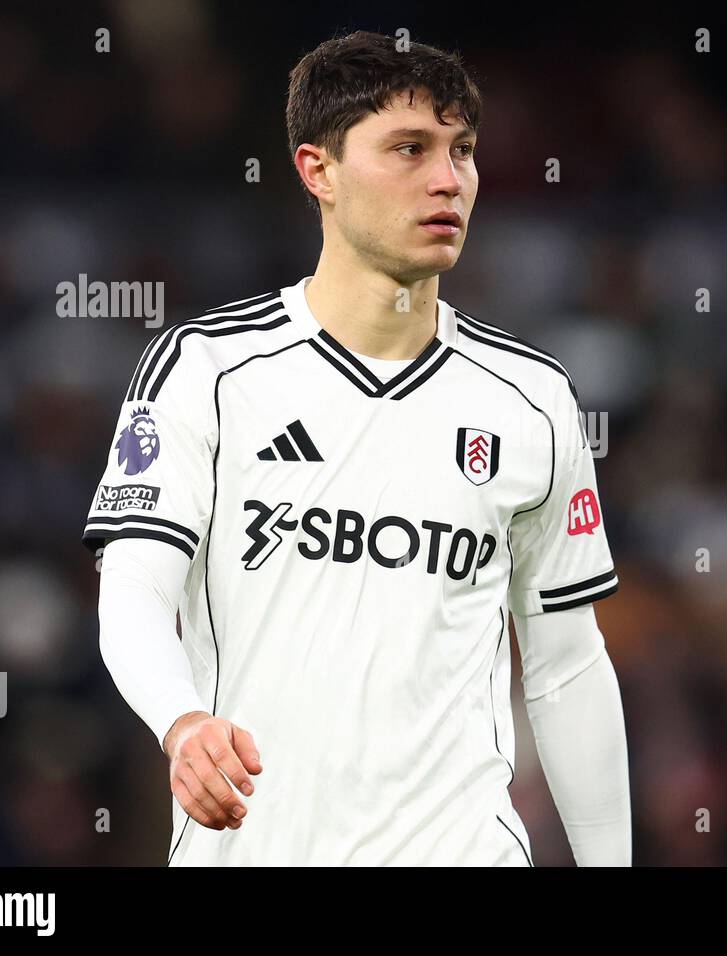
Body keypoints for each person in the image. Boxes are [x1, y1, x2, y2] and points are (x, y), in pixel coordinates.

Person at [83, 30, 630, 866]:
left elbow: (565, 665)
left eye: (463, 151)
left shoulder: (532, 399)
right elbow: (132, 590)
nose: (448, 179)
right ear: (318, 170)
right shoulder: (211, 369)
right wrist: (181, 721)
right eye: (408, 149)